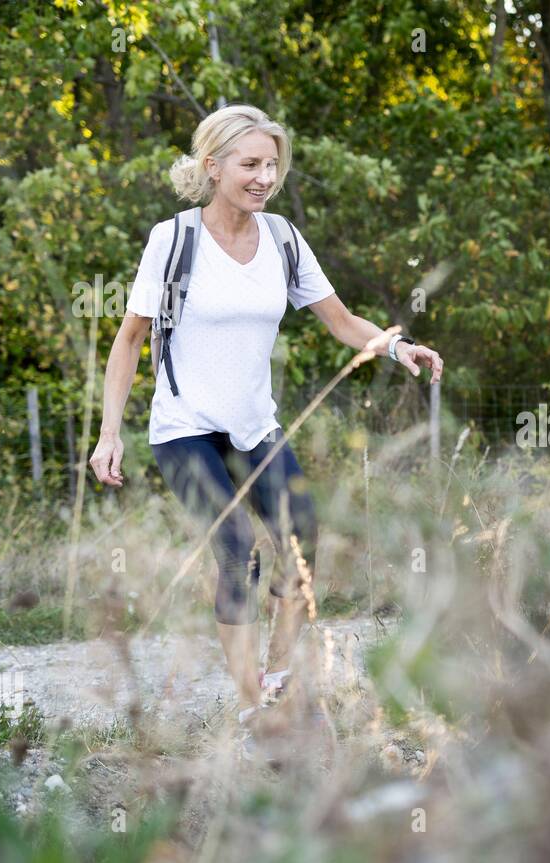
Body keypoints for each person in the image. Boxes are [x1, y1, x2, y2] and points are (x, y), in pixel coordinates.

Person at [88, 104, 443, 738]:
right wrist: (109, 433)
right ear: (213, 165)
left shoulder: (282, 238)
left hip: (254, 425)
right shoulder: (175, 241)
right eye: (250, 164)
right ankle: (250, 703)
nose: (263, 177)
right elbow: (130, 338)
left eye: (272, 165)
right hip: (184, 429)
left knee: (302, 535)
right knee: (236, 550)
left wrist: (395, 345)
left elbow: (340, 322)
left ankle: (279, 674)